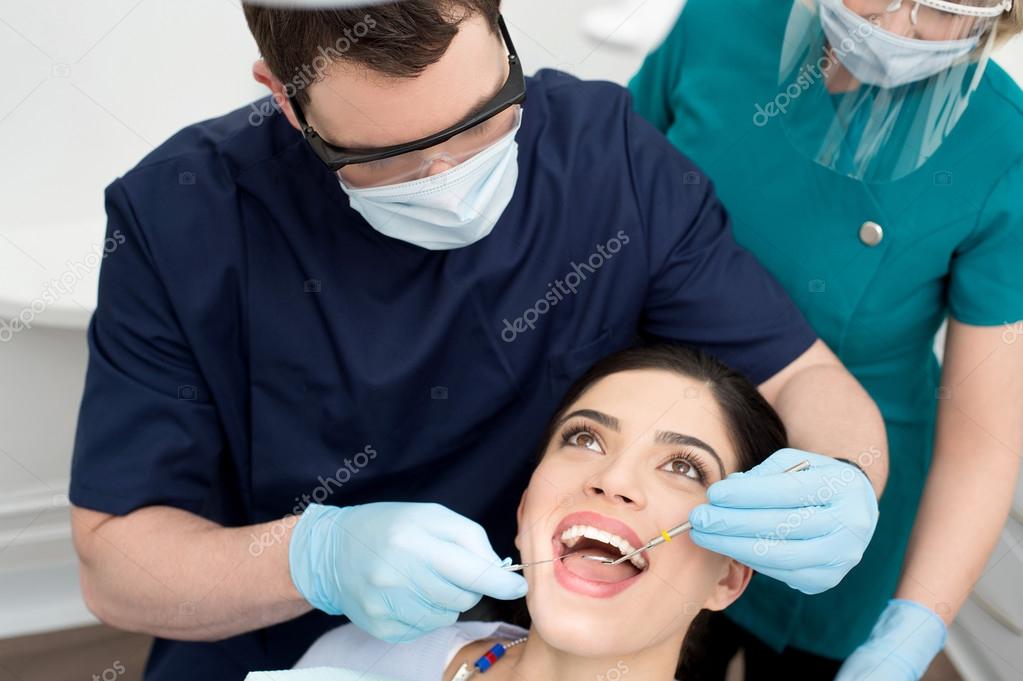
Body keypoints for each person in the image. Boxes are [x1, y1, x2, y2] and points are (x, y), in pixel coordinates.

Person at [68, 2, 888, 679]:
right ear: (286, 100)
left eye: (481, 121)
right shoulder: (181, 216)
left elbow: (799, 378)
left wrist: (843, 477)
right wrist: (312, 558)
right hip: (261, 642)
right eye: (391, 158)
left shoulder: (608, 163)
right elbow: (116, 567)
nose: (449, 179)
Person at [628, 0, 1023, 678]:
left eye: (941, 7)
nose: (894, 27)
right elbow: (604, 201)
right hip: (661, 443)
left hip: (843, 492)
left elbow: (983, 439)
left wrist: (916, 624)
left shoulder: (1003, 147)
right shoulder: (721, 21)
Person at [268, 343, 793, 681]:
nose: (612, 480)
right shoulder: (359, 657)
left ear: (727, 578)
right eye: (585, 438)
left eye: (683, 467)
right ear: (524, 513)